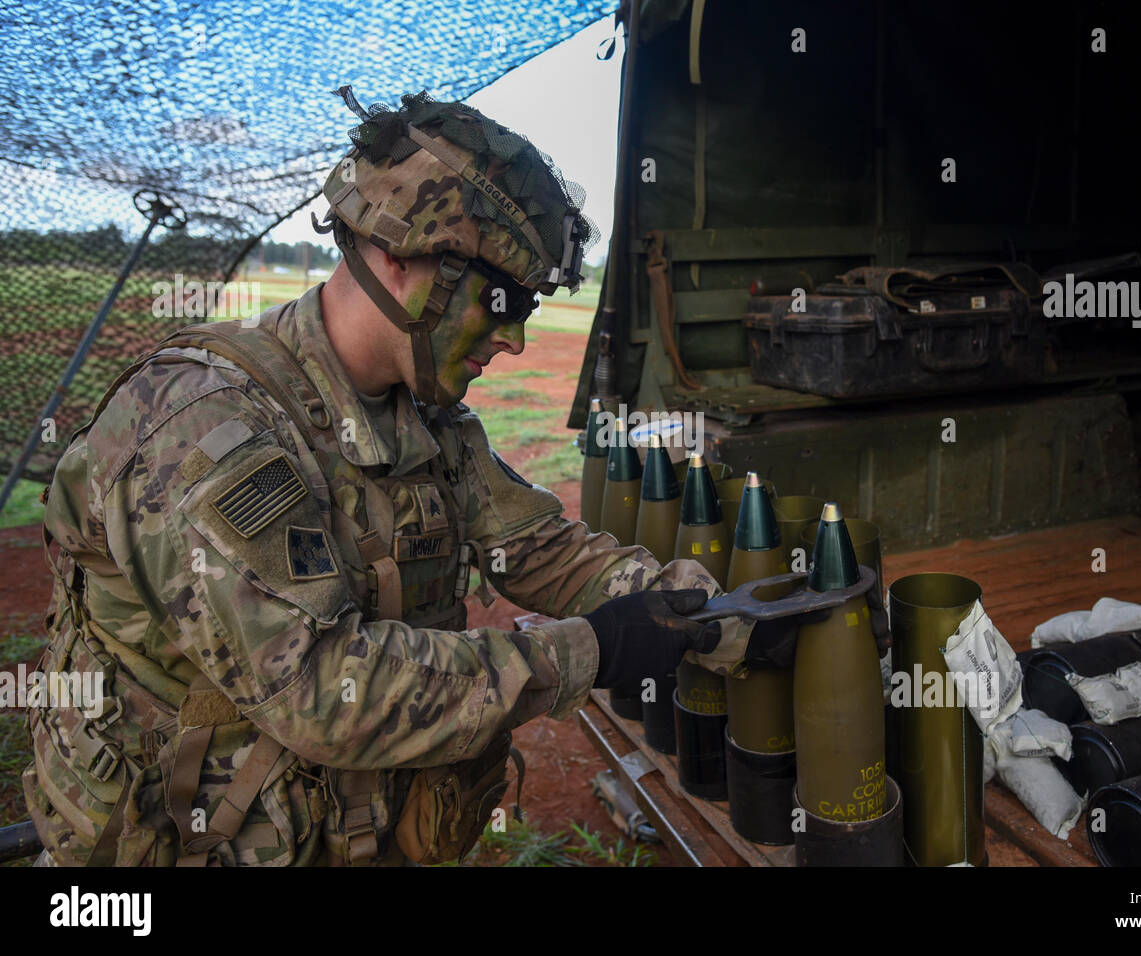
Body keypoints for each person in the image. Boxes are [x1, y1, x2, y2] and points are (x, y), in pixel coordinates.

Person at [23, 89, 759, 867]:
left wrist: (711, 616)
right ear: (401, 257)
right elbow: (316, 690)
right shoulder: (203, 430)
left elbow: (539, 550)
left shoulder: (424, 416)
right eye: (501, 300)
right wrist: (583, 654)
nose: (512, 339)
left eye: (530, 309)